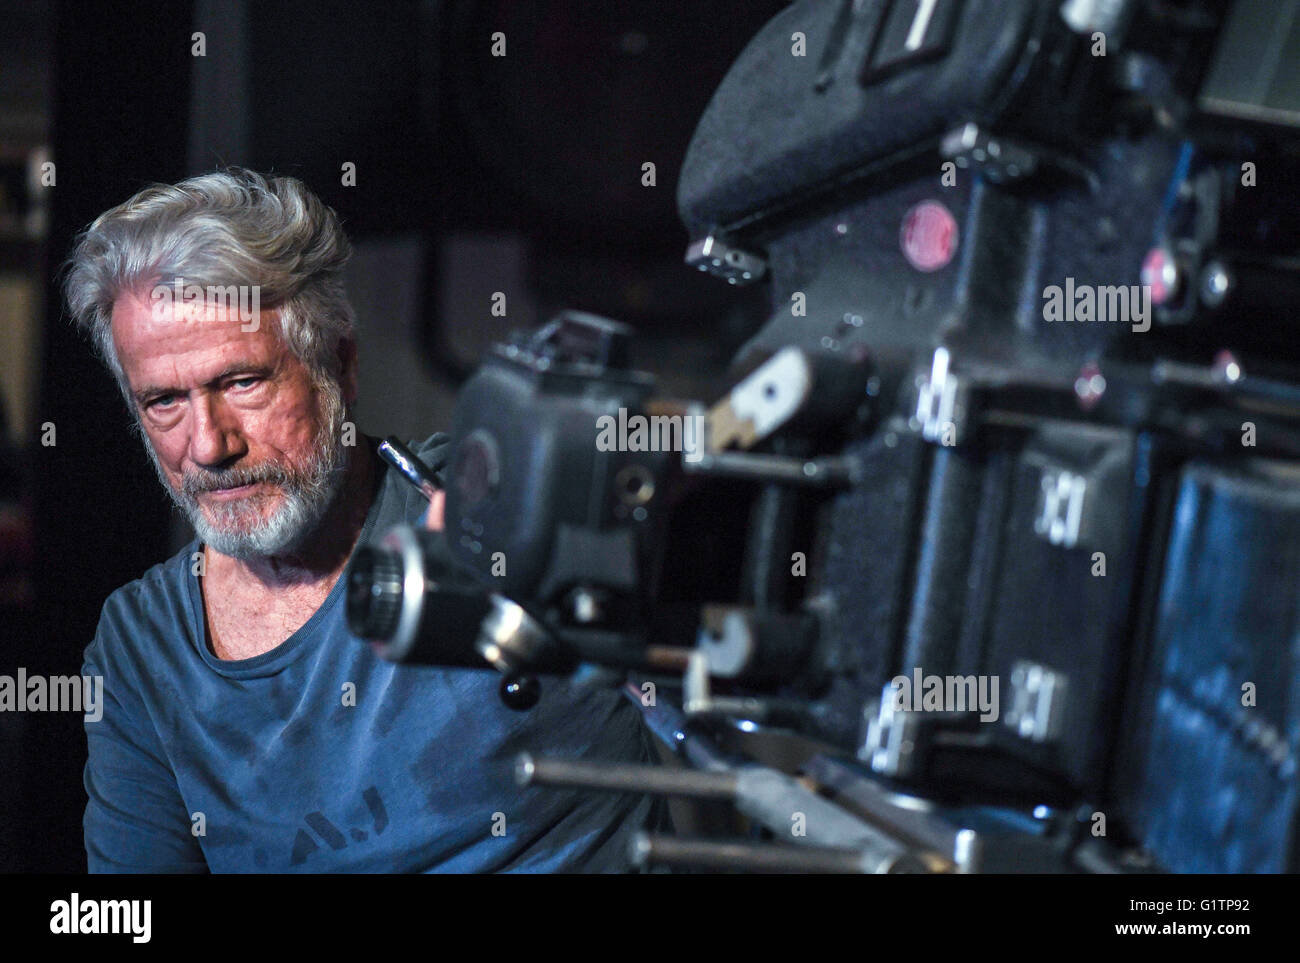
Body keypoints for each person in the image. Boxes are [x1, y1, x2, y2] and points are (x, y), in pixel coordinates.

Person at [62, 167, 660, 872]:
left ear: (339, 365)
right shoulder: (139, 647)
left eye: (242, 381)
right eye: (163, 400)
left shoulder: (492, 508)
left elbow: (673, 463)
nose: (209, 445)